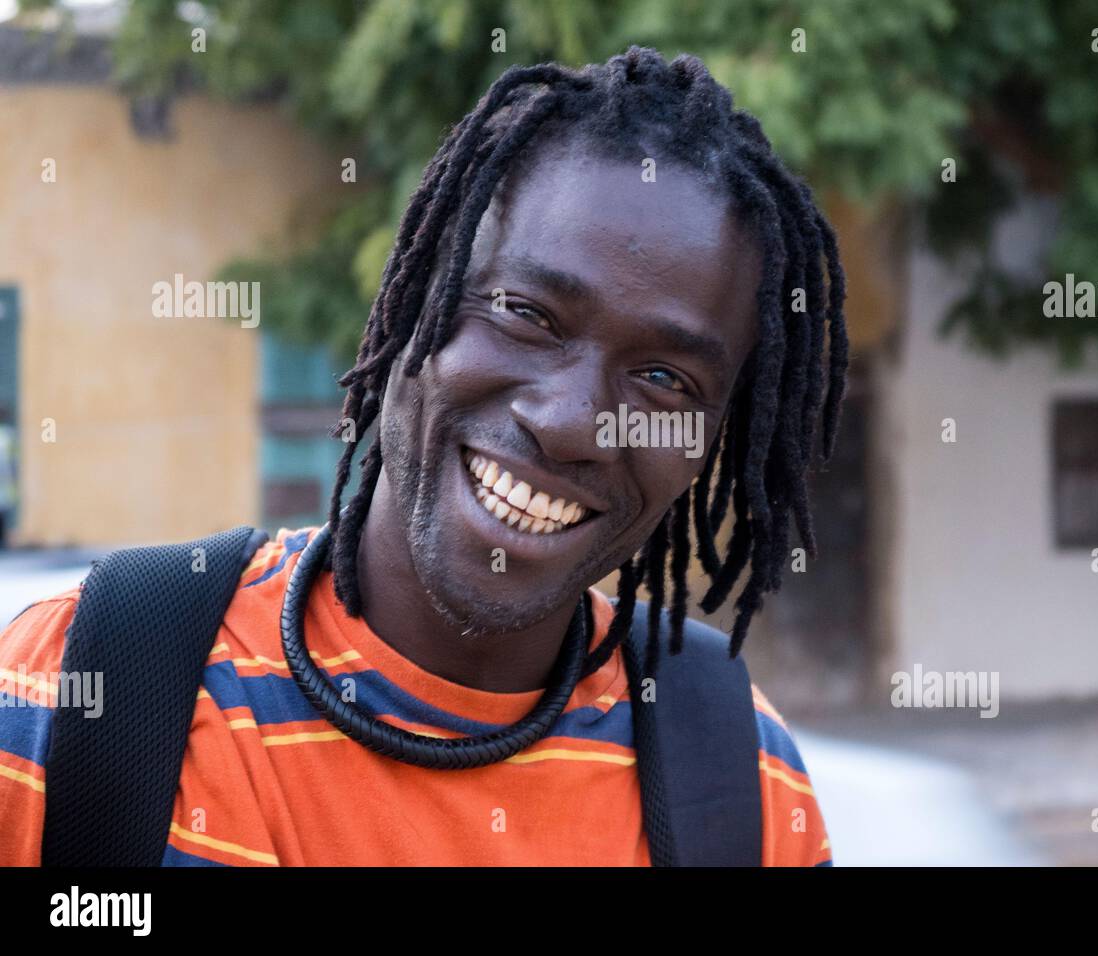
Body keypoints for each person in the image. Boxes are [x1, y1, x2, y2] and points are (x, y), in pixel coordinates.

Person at [0, 47, 846, 866]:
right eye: (526, 312)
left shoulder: (736, 780)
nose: (569, 423)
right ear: (415, 301)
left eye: (664, 378)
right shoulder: (83, 688)